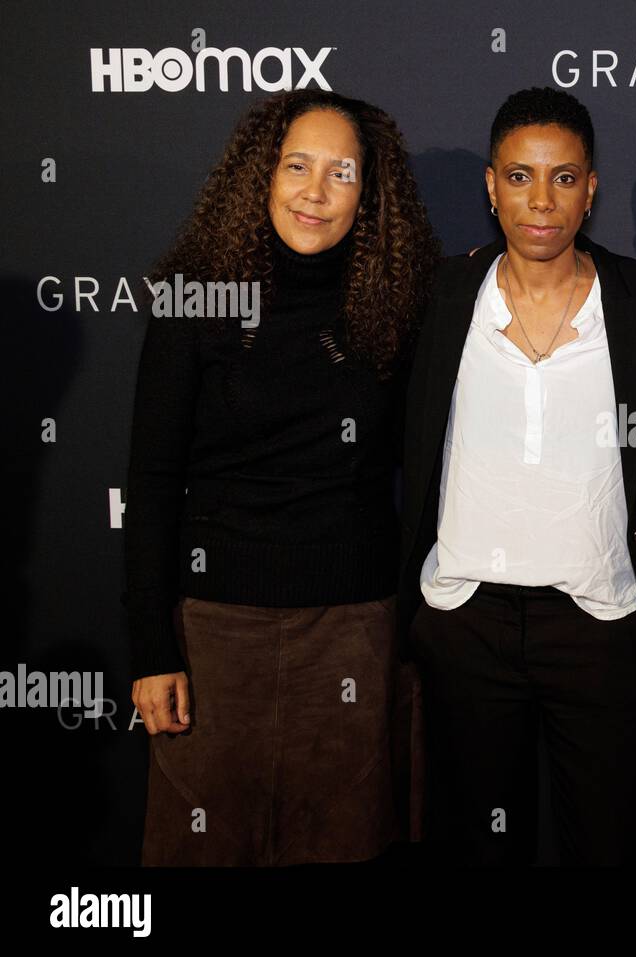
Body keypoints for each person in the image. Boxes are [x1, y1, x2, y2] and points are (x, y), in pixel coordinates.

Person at [124, 90, 438, 865]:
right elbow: (153, 482)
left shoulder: (396, 306)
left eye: (342, 172)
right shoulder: (196, 300)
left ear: (369, 196)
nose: (315, 191)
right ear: (261, 175)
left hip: (353, 635)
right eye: (298, 165)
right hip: (212, 639)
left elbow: (421, 467)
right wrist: (150, 650)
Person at [398, 86, 636, 865]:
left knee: (606, 843)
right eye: (521, 177)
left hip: (599, 623)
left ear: (592, 187)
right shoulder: (437, 297)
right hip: (464, 618)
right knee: (474, 846)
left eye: (564, 178)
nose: (542, 200)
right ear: (492, 186)